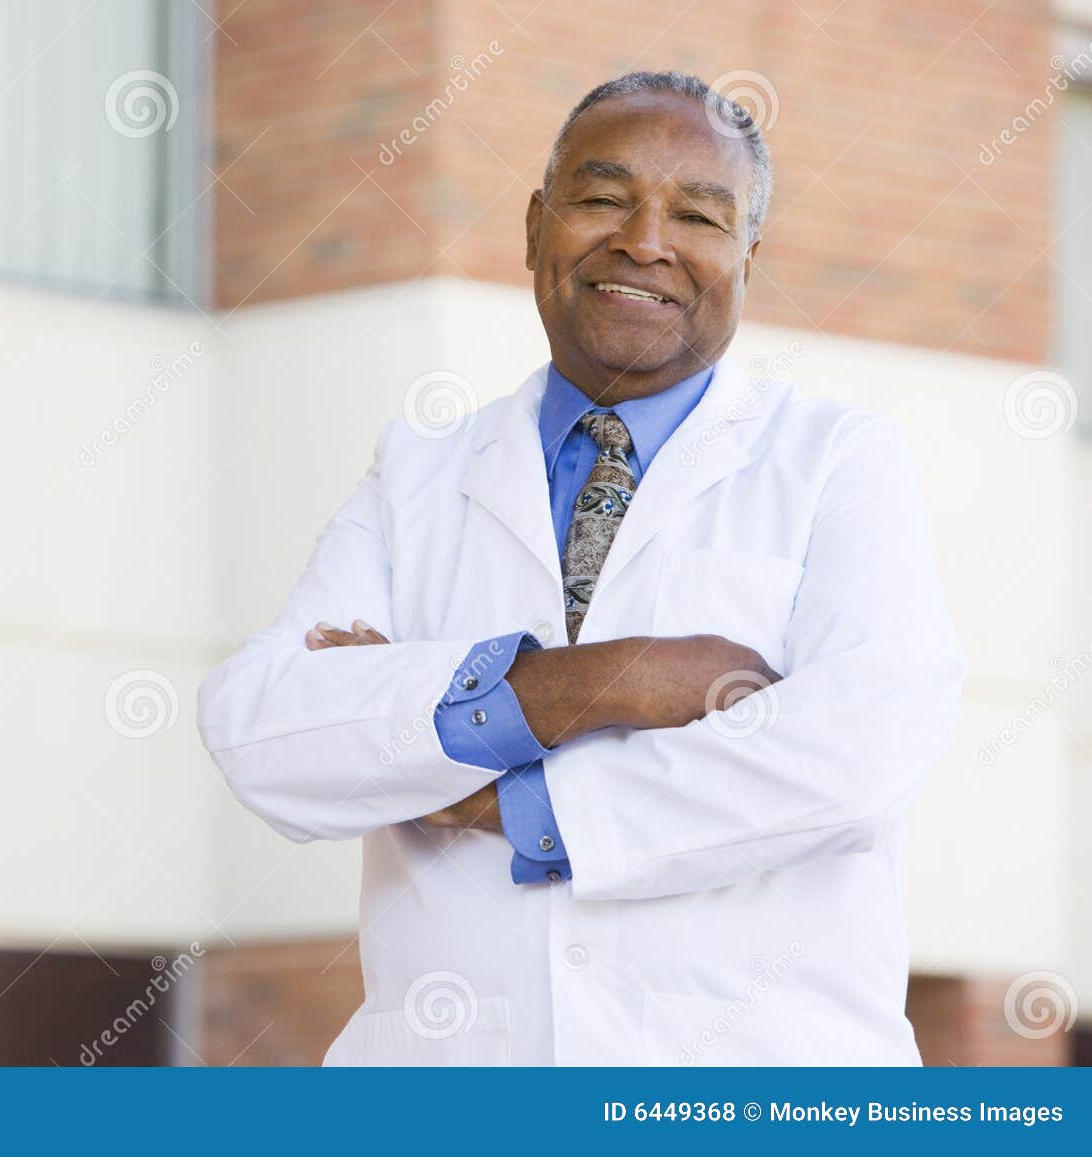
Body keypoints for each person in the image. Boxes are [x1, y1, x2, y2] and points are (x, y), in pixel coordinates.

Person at [196, 70, 965, 1065]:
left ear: (746, 257)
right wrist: (616, 678)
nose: (643, 241)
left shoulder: (835, 460)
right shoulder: (418, 471)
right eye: (602, 199)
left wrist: (493, 792)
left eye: (696, 214)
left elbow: (854, 752)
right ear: (532, 227)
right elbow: (264, 726)